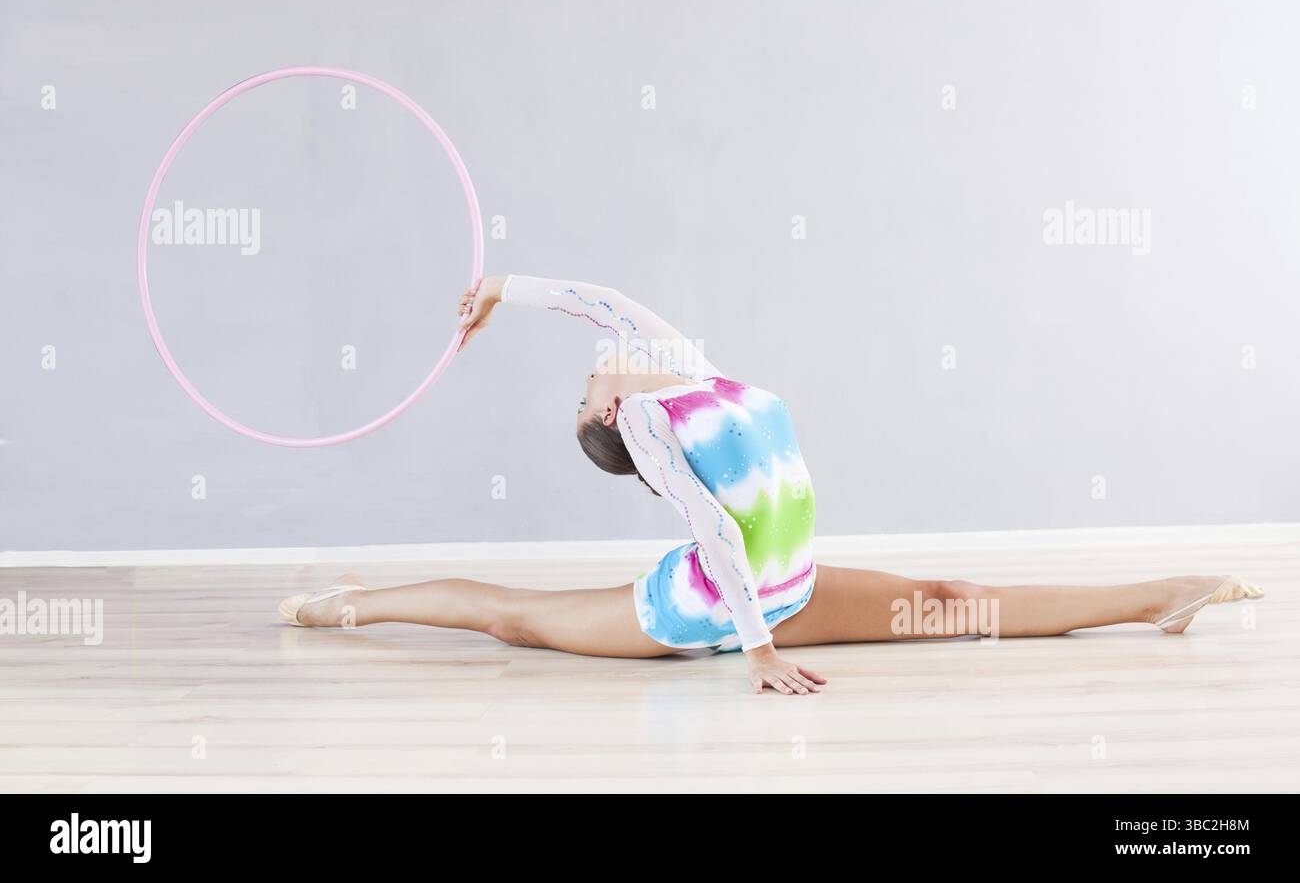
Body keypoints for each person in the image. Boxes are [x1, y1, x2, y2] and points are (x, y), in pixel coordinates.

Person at [279, 274, 1264, 695]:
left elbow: (603, 302)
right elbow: (710, 524)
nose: (595, 363)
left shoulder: (687, 368)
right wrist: (754, 650)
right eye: (587, 387)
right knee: (517, 617)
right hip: (707, 606)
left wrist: (501, 287)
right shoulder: (656, 420)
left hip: (787, 588)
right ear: (607, 415)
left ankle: (1162, 594)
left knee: (961, 602)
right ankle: (345, 605)